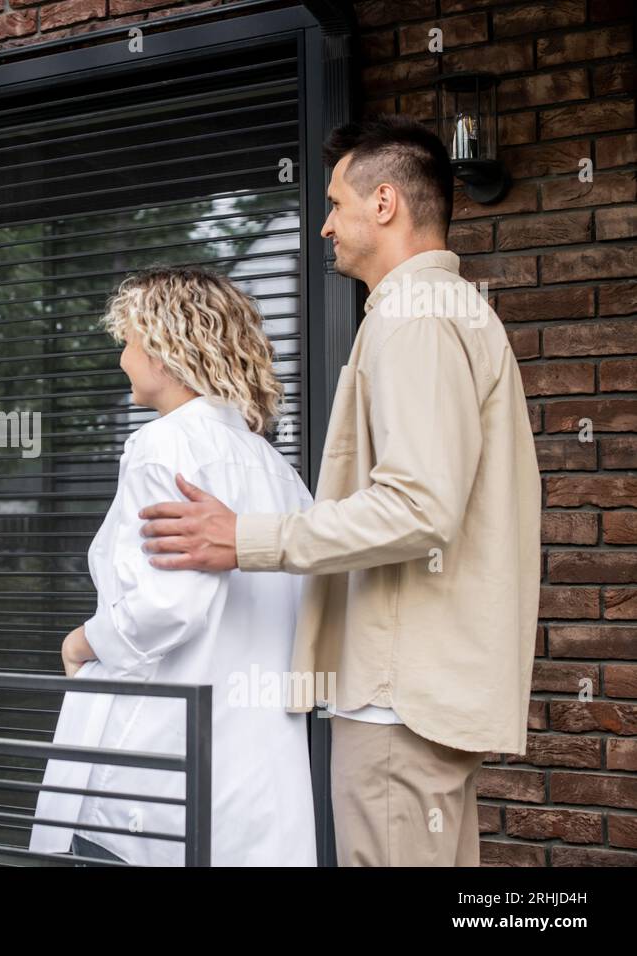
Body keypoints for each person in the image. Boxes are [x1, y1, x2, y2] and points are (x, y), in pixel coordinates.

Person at [137, 116, 541, 866]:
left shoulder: (415, 319)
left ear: (383, 203)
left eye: (334, 203)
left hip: (396, 701)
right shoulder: (449, 312)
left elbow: (421, 506)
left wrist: (245, 538)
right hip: (420, 692)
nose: (324, 226)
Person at [28, 266, 317, 867]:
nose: (123, 359)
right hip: (254, 777)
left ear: (166, 349)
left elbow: (169, 604)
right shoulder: (278, 472)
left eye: (129, 342)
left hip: (155, 772)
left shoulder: (162, 447)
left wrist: (84, 642)